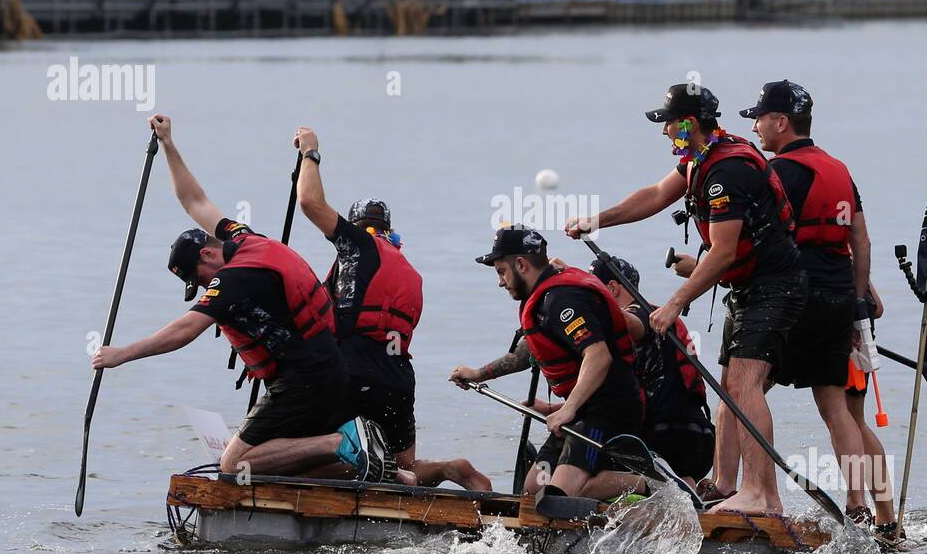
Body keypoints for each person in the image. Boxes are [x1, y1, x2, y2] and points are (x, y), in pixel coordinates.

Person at [90, 115, 392, 481]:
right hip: (323, 370)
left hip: (306, 380)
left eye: (197, 281)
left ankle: (342, 443)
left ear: (206, 256)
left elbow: (185, 330)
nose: (202, 288)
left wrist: (121, 355)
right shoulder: (241, 237)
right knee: (282, 461)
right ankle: (391, 475)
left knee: (235, 465)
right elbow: (193, 200)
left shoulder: (233, 280)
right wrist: (168, 144)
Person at [566, 83, 806, 515]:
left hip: (775, 286)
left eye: (669, 124)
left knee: (746, 385)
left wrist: (675, 302)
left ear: (690, 124)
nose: (664, 133)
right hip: (750, 288)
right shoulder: (700, 158)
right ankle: (726, 486)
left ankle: (763, 496)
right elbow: (656, 196)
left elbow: (724, 251)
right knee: (733, 385)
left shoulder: (726, 171)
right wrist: (597, 221)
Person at [292, 126, 491, 492]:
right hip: (398, 377)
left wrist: (310, 152)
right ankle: (450, 469)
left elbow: (309, 202)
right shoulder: (408, 270)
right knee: (407, 469)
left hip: (353, 370)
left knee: (302, 463)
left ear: (354, 227)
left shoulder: (357, 247)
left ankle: (375, 479)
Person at [743, 80, 878, 527]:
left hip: (793, 295)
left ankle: (742, 492)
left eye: (760, 118)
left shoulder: (779, 172)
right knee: (834, 405)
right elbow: (860, 237)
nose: (757, 128)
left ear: (781, 122)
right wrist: (858, 301)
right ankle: (858, 503)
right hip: (838, 294)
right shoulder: (839, 168)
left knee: (742, 390)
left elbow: (756, 237)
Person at [449, 226, 647, 500]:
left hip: (606, 409)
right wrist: (479, 374)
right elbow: (526, 352)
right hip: (581, 410)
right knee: (533, 490)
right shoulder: (543, 299)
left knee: (559, 495)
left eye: (501, 271)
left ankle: (649, 484)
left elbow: (598, 355)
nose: (500, 281)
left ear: (521, 264)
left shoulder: (563, 299)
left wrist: (568, 409)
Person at [589, 255, 714, 484]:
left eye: (591, 293)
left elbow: (630, 325)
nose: (586, 302)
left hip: (666, 435)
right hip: (699, 436)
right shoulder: (657, 314)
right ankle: (694, 489)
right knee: (681, 480)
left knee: (592, 475)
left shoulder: (642, 314)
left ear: (612, 288)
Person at [844, 281, 901, 537]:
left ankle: (882, 517)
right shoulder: (853, 247)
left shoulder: (833, 251)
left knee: (850, 422)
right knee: (855, 421)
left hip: (848, 339)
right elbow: (876, 307)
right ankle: (887, 520)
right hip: (860, 331)